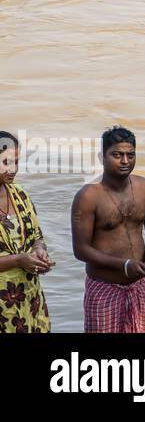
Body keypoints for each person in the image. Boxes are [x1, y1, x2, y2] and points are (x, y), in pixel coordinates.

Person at [71, 127, 145, 333]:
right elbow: (80, 250)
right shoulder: (88, 196)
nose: (125, 161)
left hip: (138, 286)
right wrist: (124, 265)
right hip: (104, 288)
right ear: (101, 157)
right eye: (116, 155)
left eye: (130, 155)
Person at [0, 130, 53, 333]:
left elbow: (36, 236)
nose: (13, 169)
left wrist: (40, 252)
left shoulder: (19, 193)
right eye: (6, 162)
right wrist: (18, 260)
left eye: (16, 162)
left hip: (30, 299)